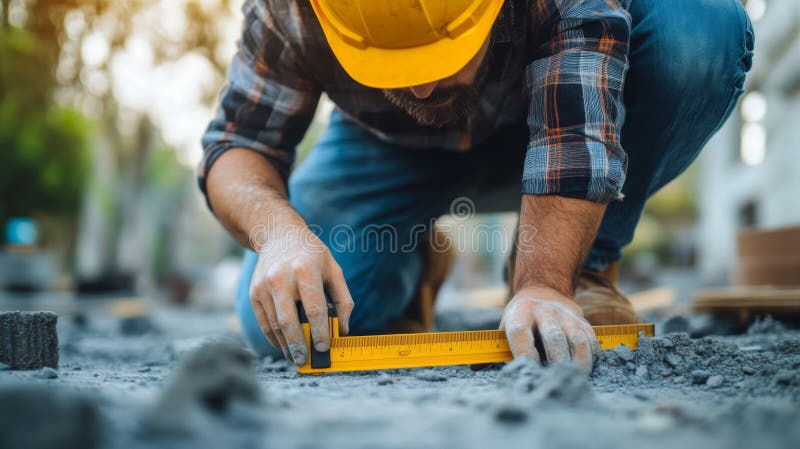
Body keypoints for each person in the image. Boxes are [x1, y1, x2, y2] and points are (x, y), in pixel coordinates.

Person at [200, 0, 753, 373]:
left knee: (701, 33)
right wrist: (278, 235)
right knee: (286, 320)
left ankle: (586, 265)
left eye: (443, 50)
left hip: (566, 115)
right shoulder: (287, 11)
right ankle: (414, 262)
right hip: (387, 149)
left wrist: (543, 284)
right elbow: (238, 142)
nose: (424, 83)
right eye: (393, 60)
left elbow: (574, 137)